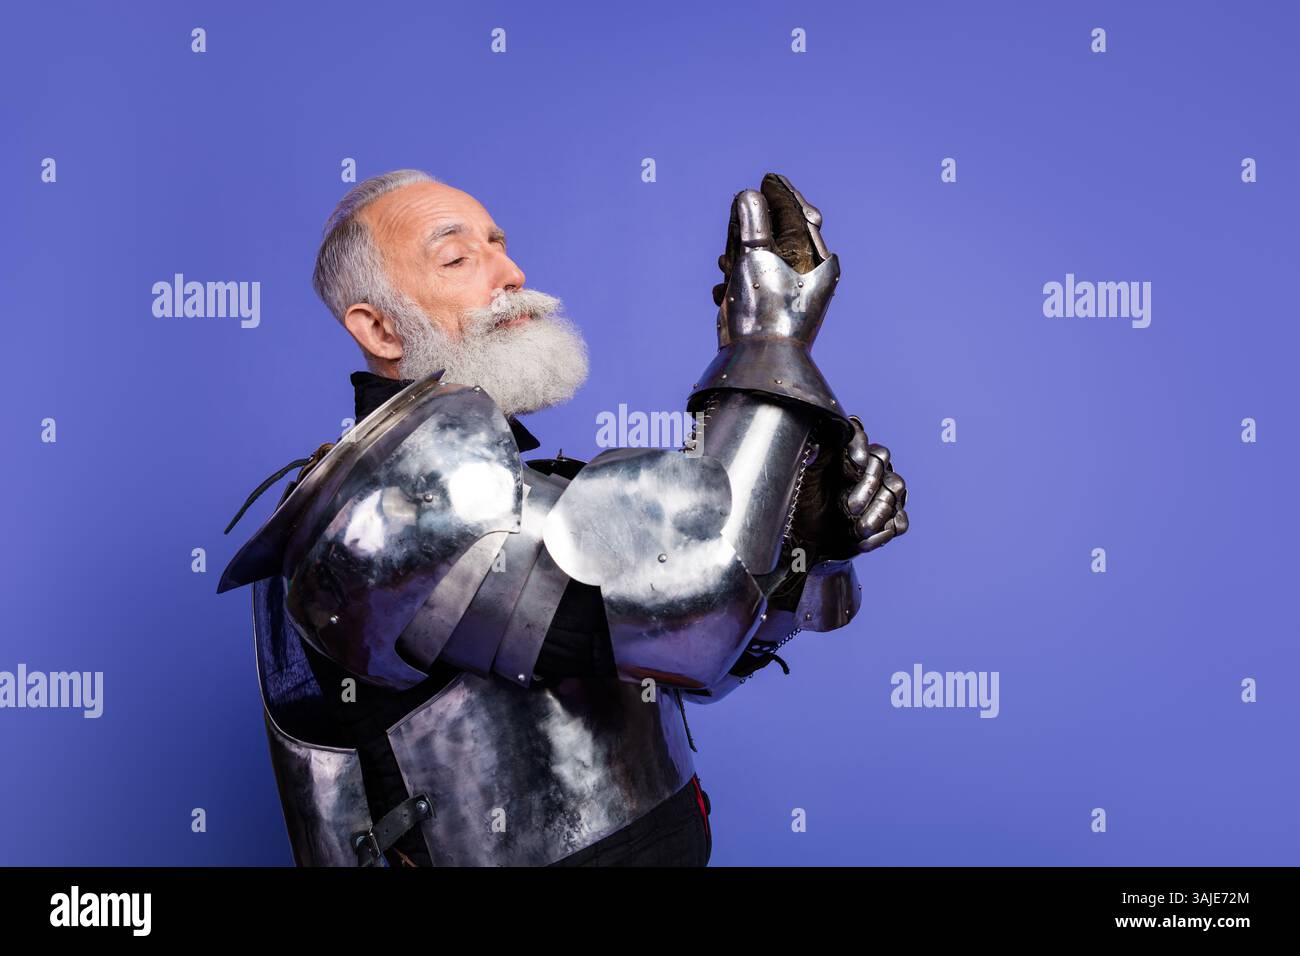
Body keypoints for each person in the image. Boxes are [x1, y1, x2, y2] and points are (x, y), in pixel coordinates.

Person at [218, 169, 908, 866]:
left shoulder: (531, 489)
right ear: (379, 327)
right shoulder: (381, 508)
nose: (511, 273)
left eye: (500, 246)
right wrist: (767, 345)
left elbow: (691, 663)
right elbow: (699, 622)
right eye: (458, 257)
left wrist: (804, 549)